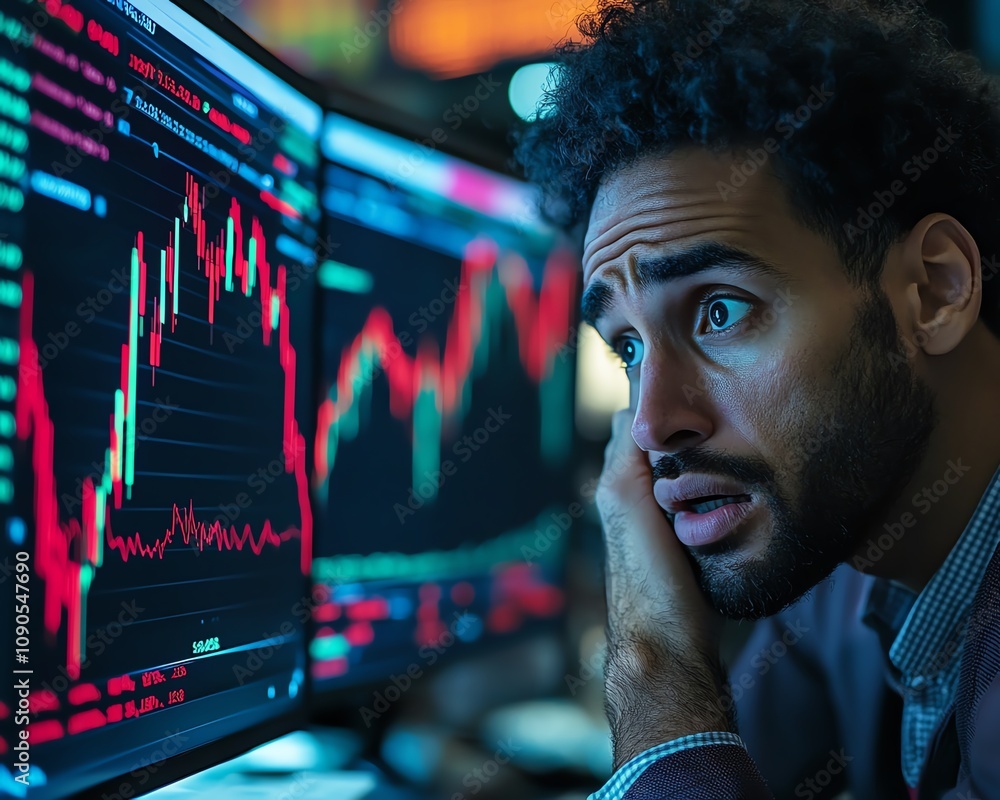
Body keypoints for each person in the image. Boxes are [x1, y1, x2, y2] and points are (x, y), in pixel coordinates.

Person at [514, 0, 1000, 797]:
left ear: (934, 291)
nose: (652, 423)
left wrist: (654, 670)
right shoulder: (849, 553)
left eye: (718, 312)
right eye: (627, 347)